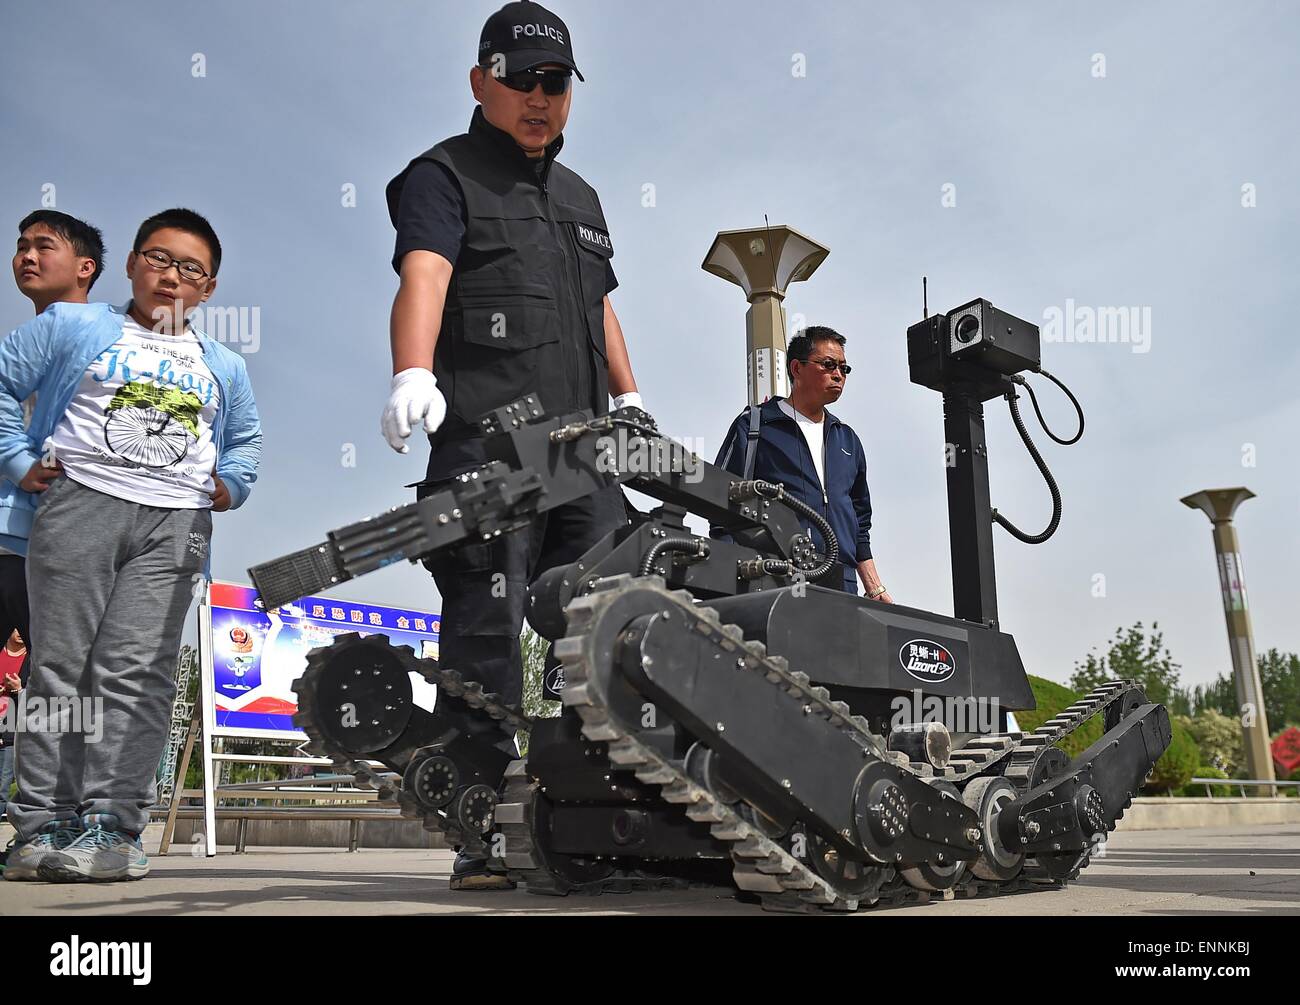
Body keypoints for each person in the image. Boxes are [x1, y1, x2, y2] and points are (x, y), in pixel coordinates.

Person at [382, 1, 642, 890]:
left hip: (586, 452)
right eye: (522, 79)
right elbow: (426, 270)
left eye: (556, 83)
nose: (540, 97)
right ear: (480, 81)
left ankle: (595, 819)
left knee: (609, 628)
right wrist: (411, 369)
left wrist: (633, 395)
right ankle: (478, 828)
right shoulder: (443, 174)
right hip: (488, 445)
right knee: (485, 636)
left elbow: (599, 307)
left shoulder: (584, 199)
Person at [0, 208, 263, 882]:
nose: (171, 275)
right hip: (77, 506)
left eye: (190, 268)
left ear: (208, 288)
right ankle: (42, 825)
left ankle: (113, 830)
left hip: (176, 526)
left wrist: (230, 483)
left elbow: (245, 443)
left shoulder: (224, 364)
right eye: (158, 257)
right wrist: (18, 456)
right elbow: (3, 384)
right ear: (132, 265)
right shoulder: (75, 325)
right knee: (58, 667)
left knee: (138, 674)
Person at [714, 326, 893, 602]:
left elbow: (860, 521)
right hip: (775, 574)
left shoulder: (847, 439)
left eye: (844, 369)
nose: (838, 375)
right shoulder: (755, 425)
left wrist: (874, 585)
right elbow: (722, 500)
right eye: (828, 365)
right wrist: (727, 577)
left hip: (841, 582)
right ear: (796, 368)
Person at [1, 211, 106, 667]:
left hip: (59, 548)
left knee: (67, 688)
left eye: (44, 247)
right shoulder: (22, 345)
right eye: (22, 246)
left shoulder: (109, 345)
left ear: (86, 267)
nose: (27, 256)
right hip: (9, 538)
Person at [0, 630, 27, 824]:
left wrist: (19, 688)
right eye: (15, 628)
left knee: (4, 780)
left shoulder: (31, 658)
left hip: (15, 723)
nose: (19, 633)